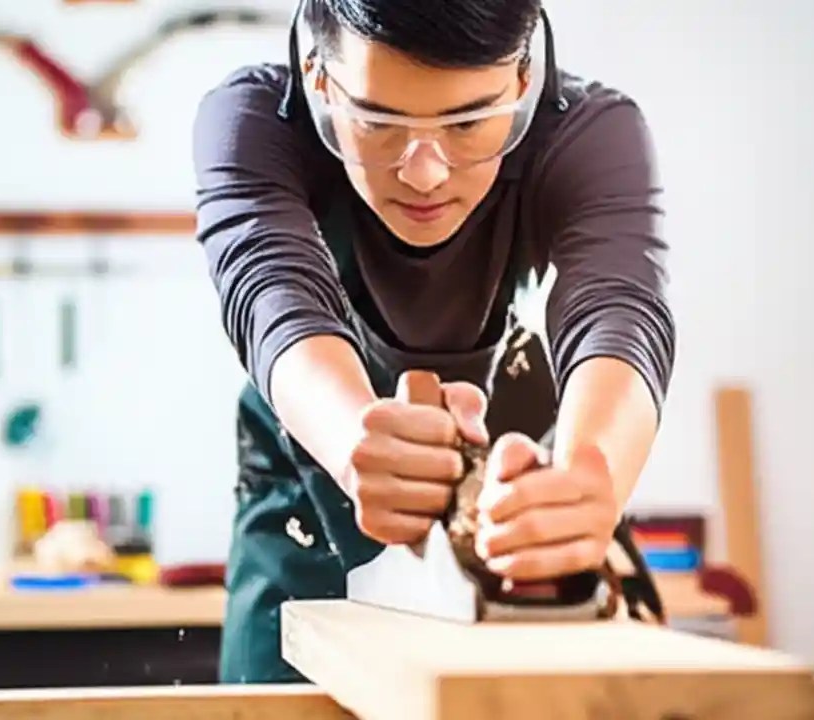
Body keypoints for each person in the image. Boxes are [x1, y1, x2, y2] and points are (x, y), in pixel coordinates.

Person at [191, 0, 676, 684]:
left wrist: (586, 478)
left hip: (520, 496)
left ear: (524, 78)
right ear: (317, 75)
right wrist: (350, 438)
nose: (424, 173)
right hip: (309, 500)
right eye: (377, 122)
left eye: (469, 122)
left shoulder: (594, 132)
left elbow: (619, 310)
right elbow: (272, 295)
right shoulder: (252, 121)